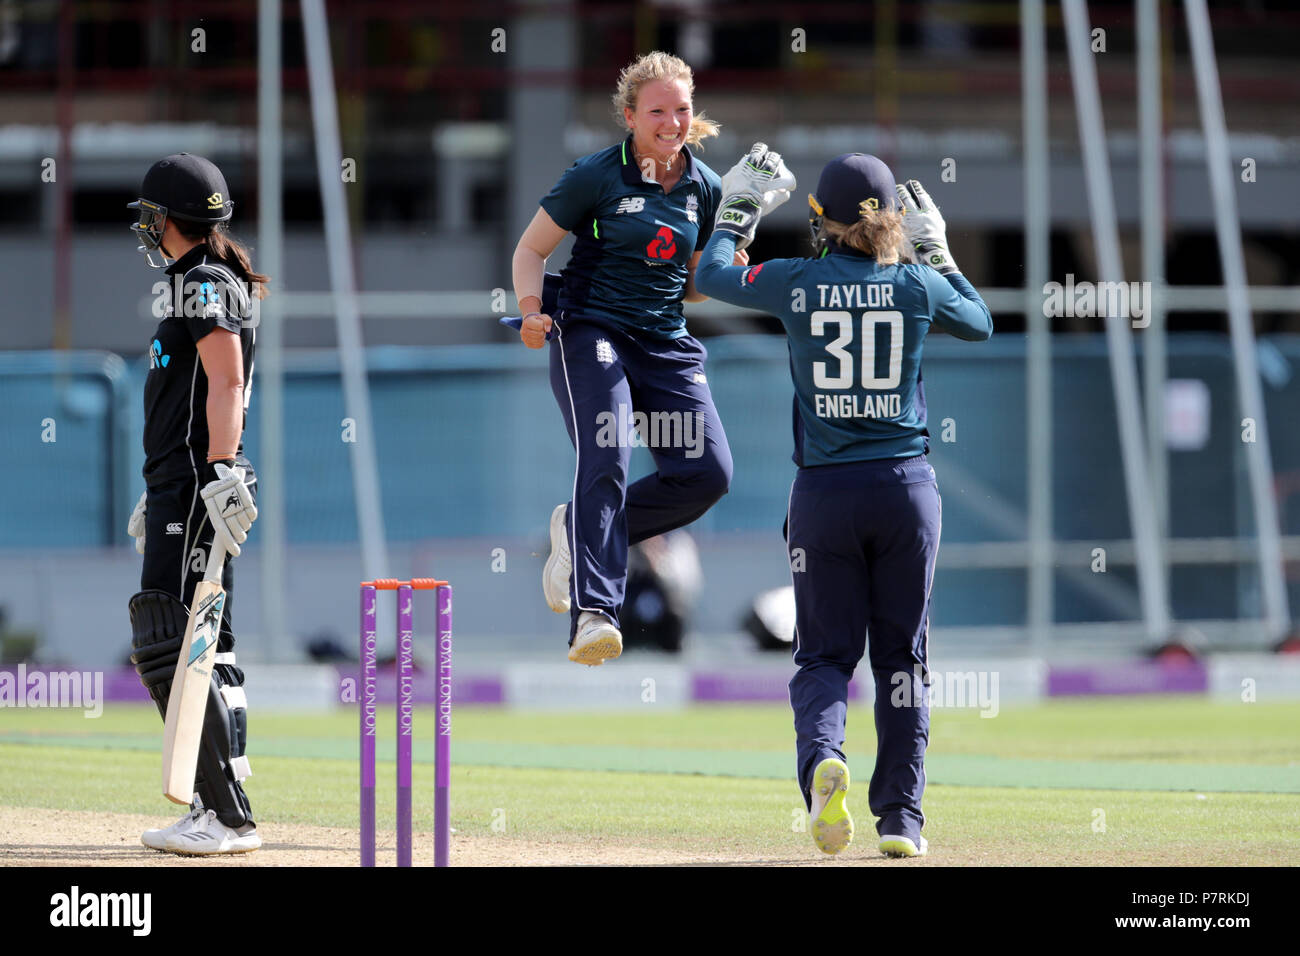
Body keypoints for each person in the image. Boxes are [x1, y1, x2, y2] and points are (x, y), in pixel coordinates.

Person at [695, 147, 992, 858]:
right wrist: (938, 252)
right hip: (904, 492)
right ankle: (901, 820)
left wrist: (735, 213)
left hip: (825, 496)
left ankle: (825, 760)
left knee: (825, 658)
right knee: (901, 660)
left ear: (818, 220)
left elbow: (708, 276)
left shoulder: (796, 281)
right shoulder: (916, 283)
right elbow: (979, 322)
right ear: (892, 220)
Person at [511, 51, 747, 666]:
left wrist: (728, 272)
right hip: (592, 331)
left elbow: (692, 284)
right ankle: (595, 614)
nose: (672, 123)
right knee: (608, 448)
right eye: (657, 111)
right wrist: (533, 308)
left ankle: (576, 529)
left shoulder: (707, 186)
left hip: (665, 341)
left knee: (707, 473)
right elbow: (530, 249)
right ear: (629, 116)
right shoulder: (596, 175)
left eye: (682, 110)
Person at [124, 153, 265, 854]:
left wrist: (218, 471)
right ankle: (221, 810)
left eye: (148, 216)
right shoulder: (204, 277)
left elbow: (227, 382)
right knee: (209, 643)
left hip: (197, 487)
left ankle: (226, 816)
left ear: (162, 221)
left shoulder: (203, 282)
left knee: (172, 636)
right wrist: (161, 496)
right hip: (180, 488)